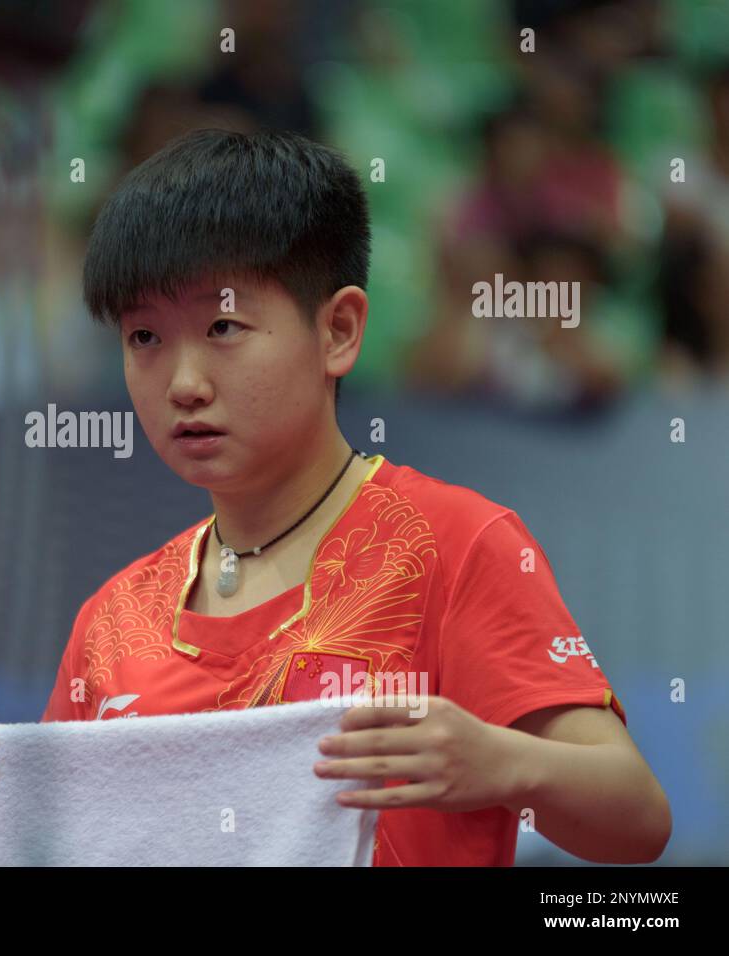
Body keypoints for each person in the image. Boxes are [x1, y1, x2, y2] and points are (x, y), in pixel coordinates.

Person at [42, 128, 670, 866]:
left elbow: (636, 819)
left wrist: (502, 762)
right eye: (144, 337)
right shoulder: (112, 623)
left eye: (222, 327)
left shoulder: (456, 544)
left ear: (338, 330)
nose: (183, 383)